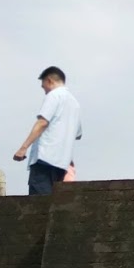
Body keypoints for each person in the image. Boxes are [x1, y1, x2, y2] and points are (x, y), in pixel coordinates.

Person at [12, 67, 83, 197]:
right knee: (54, 199)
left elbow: (42, 122)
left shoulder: (54, 95)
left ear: (49, 81)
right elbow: (77, 134)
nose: (44, 91)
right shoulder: (74, 103)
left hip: (45, 157)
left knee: (39, 201)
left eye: (43, 86)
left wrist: (23, 148)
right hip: (62, 161)